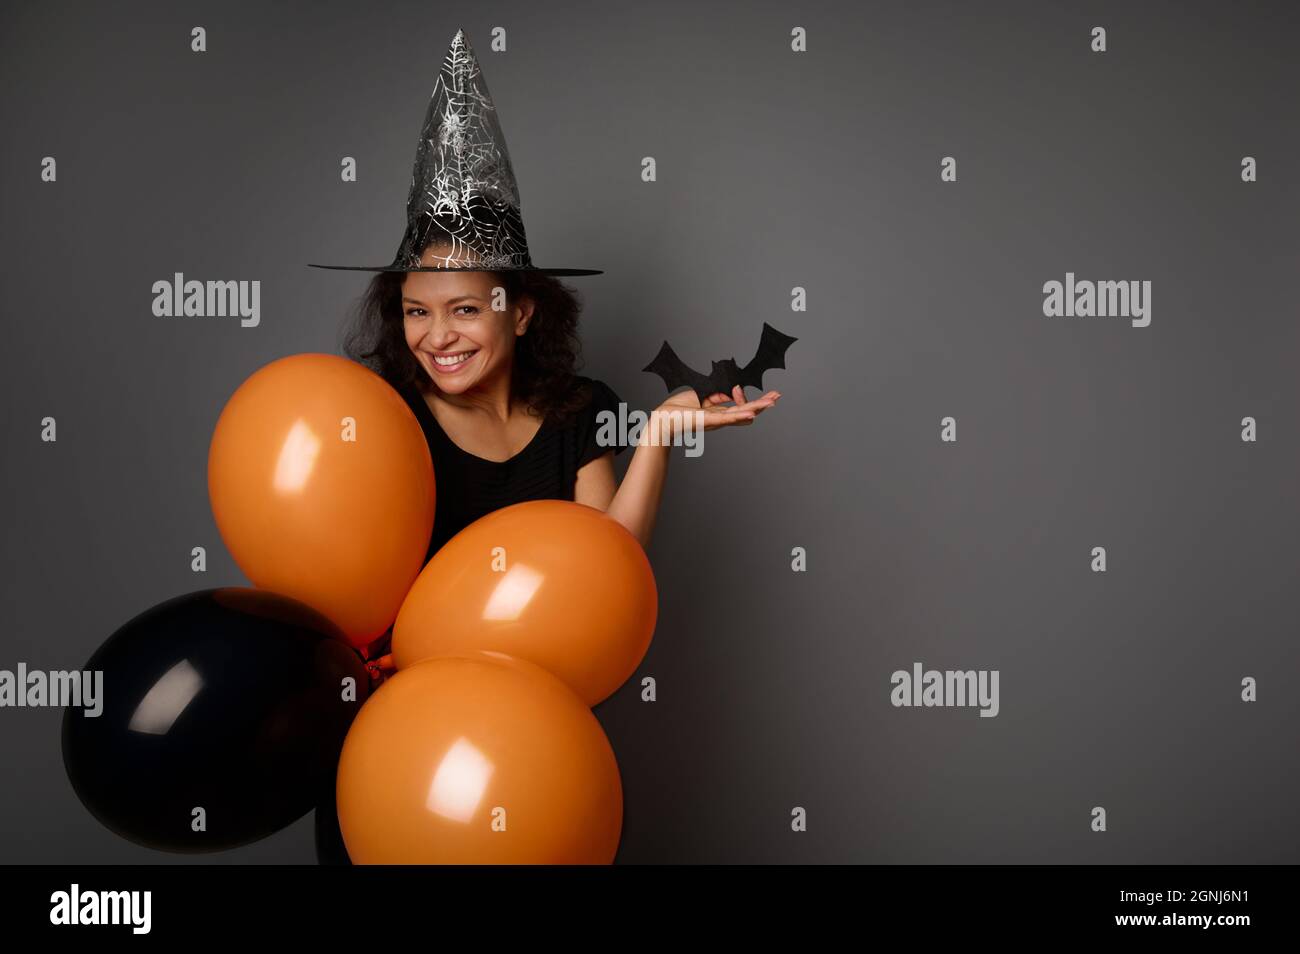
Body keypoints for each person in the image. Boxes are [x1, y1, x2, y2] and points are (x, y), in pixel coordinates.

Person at [343, 234, 781, 564]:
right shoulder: (390, 419)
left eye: (465, 309)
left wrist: (657, 433)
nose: (437, 337)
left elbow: (608, 562)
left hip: (544, 677)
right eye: (417, 311)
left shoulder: (577, 410)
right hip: (423, 676)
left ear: (520, 314)